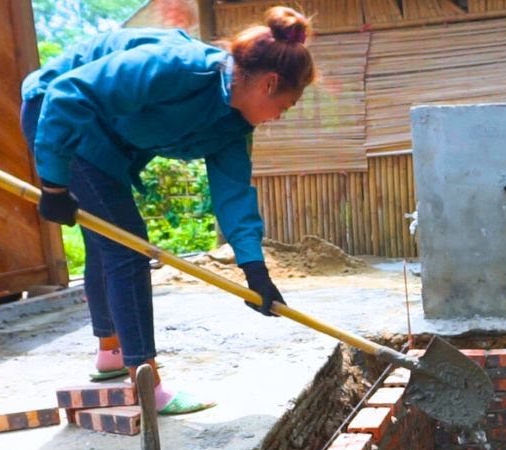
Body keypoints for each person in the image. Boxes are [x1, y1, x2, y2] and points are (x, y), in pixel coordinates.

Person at [19, 6, 315, 414]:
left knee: (107, 240)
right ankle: (148, 386)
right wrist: (53, 183)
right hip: (59, 114)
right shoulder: (179, 66)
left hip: (107, 141)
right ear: (269, 84)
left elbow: (233, 194)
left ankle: (110, 352)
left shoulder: (233, 125)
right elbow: (68, 93)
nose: (280, 116)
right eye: (287, 104)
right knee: (128, 247)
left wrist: (254, 268)